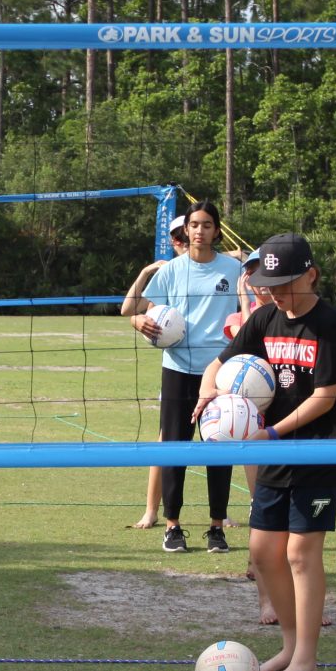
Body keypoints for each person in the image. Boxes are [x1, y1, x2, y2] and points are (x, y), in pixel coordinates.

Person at [199, 232, 336, 671]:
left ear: (311, 276)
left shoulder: (327, 322)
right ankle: (289, 646)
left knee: (300, 555)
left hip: (315, 451)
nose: (276, 293)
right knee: (265, 553)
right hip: (272, 453)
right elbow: (219, 364)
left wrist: (270, 432)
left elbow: (325, 397)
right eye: (269, 285)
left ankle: (306, 661)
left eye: (285, 284)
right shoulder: (264, 317)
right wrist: (210, 391)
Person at [133, 202, 243, 553]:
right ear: (187, 230)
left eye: (207, 225)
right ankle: (172, 526)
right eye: (194, 225)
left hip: (219, 373)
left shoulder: (234, 269)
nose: (199, 231)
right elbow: (144, 312)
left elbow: (250, 310)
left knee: (219, 448)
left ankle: (216, 528)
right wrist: (139, 321)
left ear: (216, 231)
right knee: (174, 449)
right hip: (178, 369)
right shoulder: (172, 270)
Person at [120, 216, 188, 530]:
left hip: (213, 366)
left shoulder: (217, 267)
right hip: (177, 368)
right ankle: (151, 510)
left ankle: (223, 514)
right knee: (165, 441)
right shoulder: (167, 274)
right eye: (178, 237)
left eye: (187, 234)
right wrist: (146, 271)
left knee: (223, 434)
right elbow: (129, 310)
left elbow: (241, 256)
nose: (183, 241)